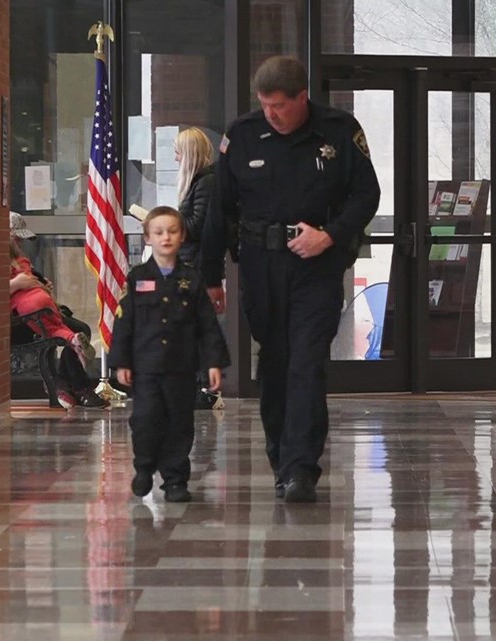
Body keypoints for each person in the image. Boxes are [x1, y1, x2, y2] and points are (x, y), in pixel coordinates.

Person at [201, 56, 381, 503]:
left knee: (306, 362)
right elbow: (219, 210)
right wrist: (210, 277)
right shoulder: (241, 135)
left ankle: (302, 468)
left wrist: (331, 236)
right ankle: (281, 456)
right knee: (278, 364)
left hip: (316, 267)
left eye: (280, 105)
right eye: (265, 105)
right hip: (261, 266)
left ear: (302, 97)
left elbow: (366, 194)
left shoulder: (339, 131)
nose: (271, 114)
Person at [110, 206, 230, 503]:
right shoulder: (138, 277)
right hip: (146, 367)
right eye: (159, 232)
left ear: (182, 236)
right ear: (148, 238)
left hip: (181, 367)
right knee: (146, 419)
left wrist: (213, 363)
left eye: (172, 231)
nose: (166, 238)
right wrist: (121, 361)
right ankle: (144, 467)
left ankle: (176, 480)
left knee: (180, 423)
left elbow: (207, 325)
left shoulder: (192, 279)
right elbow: (125, 322)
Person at [8, 213, 107, 409]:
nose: (20, 243)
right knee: (69, 332)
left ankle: (69, 383)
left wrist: (43, 286)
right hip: (19, 321)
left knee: (80, 329)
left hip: (37, 312)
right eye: (16, 238)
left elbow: (33, 280)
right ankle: (75, 386)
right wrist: (15, 284)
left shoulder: (20, 259)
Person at [174, 127, 225, 410]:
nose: (175, 157)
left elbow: (197, 227)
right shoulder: (198, 183)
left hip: (197, 267)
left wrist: (169, 224)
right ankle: (198, 384)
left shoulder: (205, 183)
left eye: (178, 151)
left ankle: (208, 387)